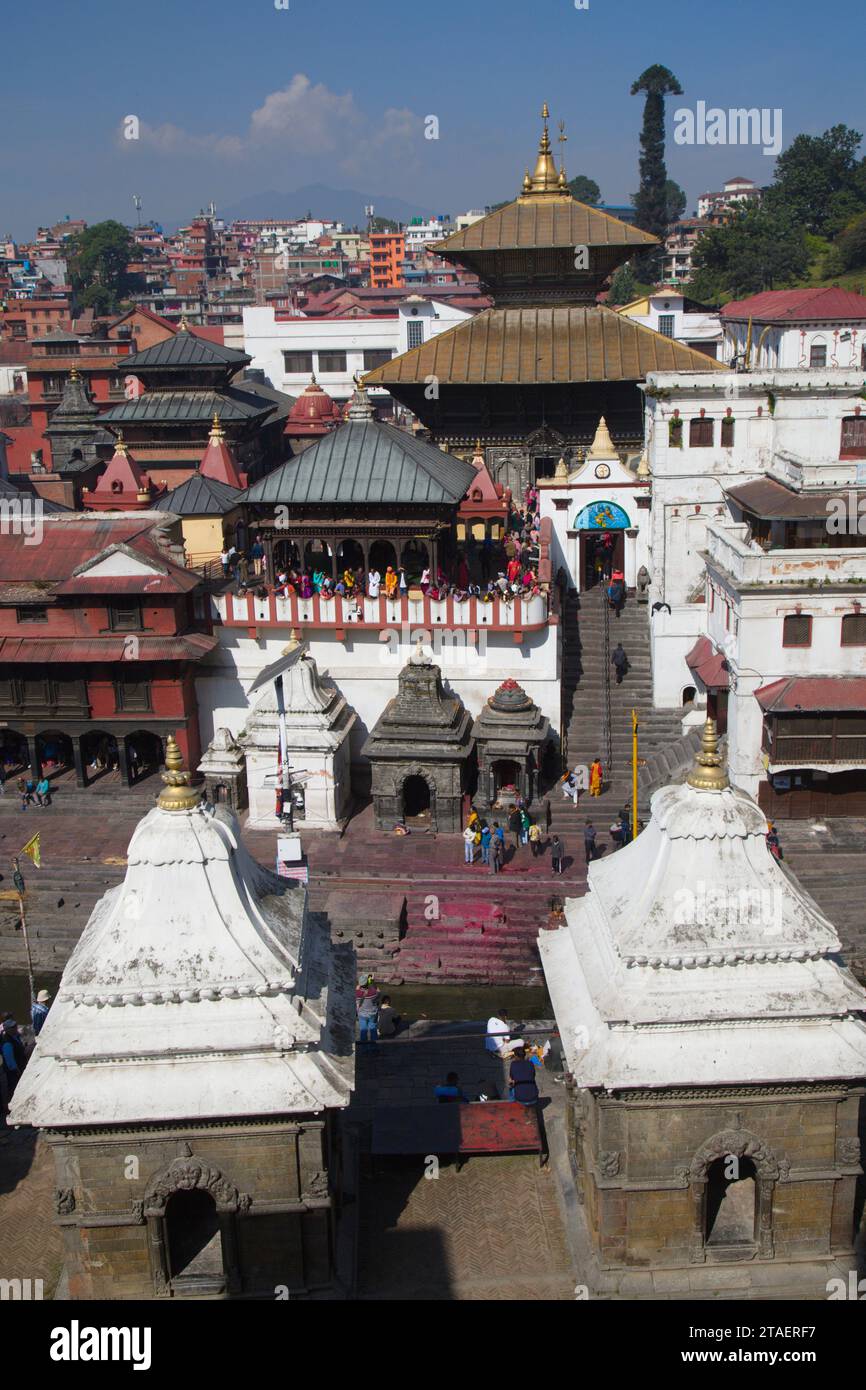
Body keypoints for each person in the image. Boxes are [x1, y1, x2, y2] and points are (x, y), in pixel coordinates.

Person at [1, 1018, 26, 1097]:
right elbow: (10, 1060)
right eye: (13, 1027)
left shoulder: (15, 1036)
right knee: (15, 1087)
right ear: (7, 1030)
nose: (16, 1027)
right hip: (15, 1071)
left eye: (15, 1025)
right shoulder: (7, 1043)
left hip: (20, 1064)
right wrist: (17, 1071)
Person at [356, 976, 380, 1044]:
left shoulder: (356, 993)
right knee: (373, 1029)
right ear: (367, 983)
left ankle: (363, 1045)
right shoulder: (373, 992)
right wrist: (373, 983)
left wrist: (357, 988)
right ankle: (374, 1045)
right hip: (372, 1013)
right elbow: (379, 993)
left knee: (363, 1029)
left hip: (362, 1014)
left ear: (359, 984)